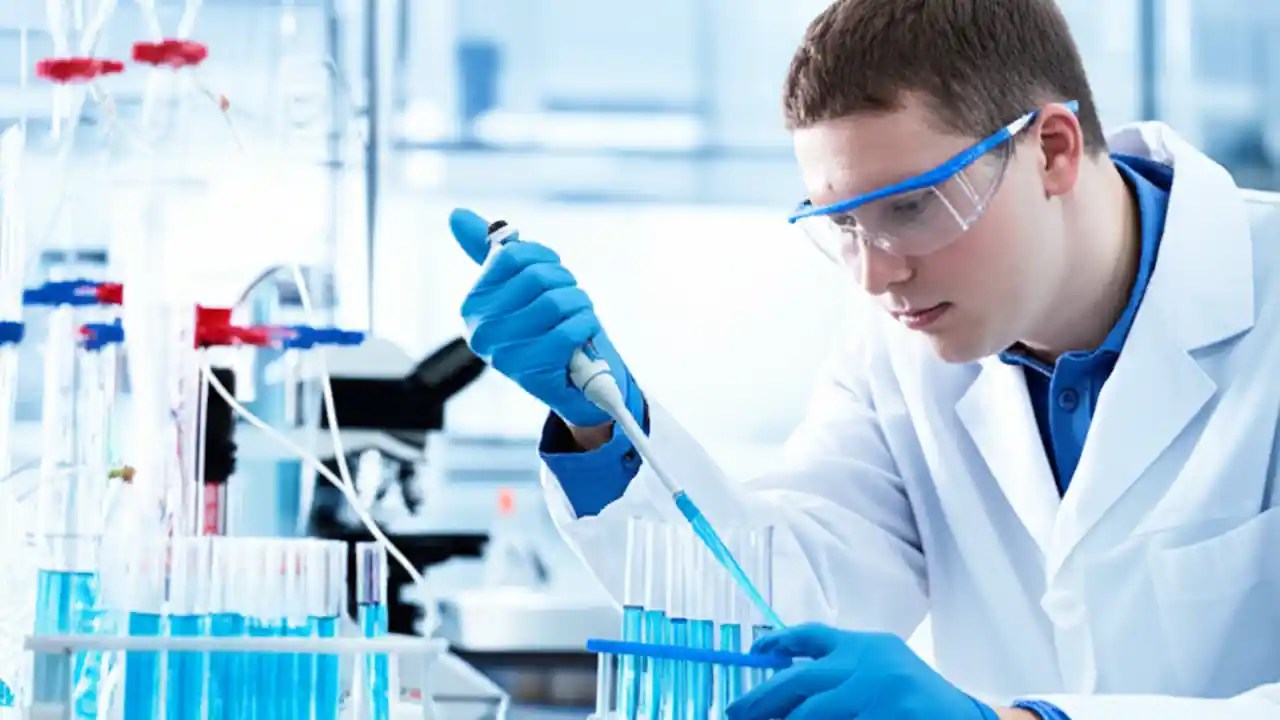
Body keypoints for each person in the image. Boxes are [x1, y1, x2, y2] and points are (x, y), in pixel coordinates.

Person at [448, 0, 1280, 717]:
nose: (876, 273)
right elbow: (773, 605)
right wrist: (603, 420)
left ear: (1053, 150)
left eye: (912, 206)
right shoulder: (903, 348)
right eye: (842, 223)